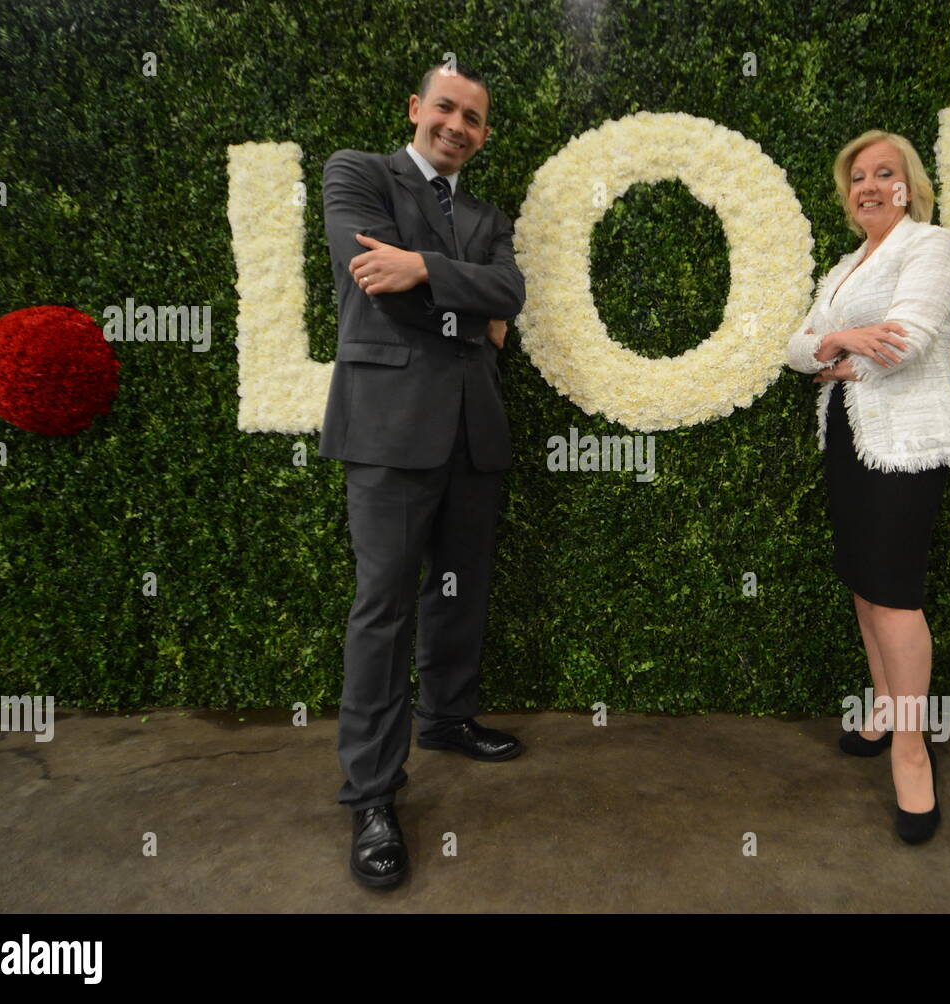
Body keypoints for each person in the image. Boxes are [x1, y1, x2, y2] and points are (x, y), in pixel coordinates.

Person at [318, 62, 526, 888]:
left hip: (474, 429)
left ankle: (447, 717)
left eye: (473, 118)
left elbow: (511, 288)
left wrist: (428, 269)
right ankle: (372, 792)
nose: (458, 126)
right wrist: (469, 306)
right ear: (416, 108)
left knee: (460, 589)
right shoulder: (358, 172)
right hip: (389, 428)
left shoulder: (486, 213)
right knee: (383, 608)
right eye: (446, 108)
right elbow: (374, 280)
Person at [785, 130, 950, 844]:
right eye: (856, 176)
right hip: (848, 443)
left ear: (908, 185)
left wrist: (841, 350)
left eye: (883, 173)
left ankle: (911, 747)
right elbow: (797, 347)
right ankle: (887, 709)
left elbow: (909, 340)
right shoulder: (841, 267)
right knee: (865, 586)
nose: (867, 185)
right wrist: (838, 343)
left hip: (907, 446)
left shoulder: (931, 244)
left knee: (895, 596)